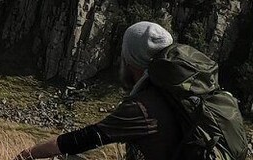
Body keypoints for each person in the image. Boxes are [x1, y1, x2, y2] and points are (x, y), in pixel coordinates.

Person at [14, 21, 185, 160]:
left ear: (131, 59)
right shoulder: (175, 92)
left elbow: (85, 138)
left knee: (63, 158)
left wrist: (27, 154)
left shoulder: (142, 108)